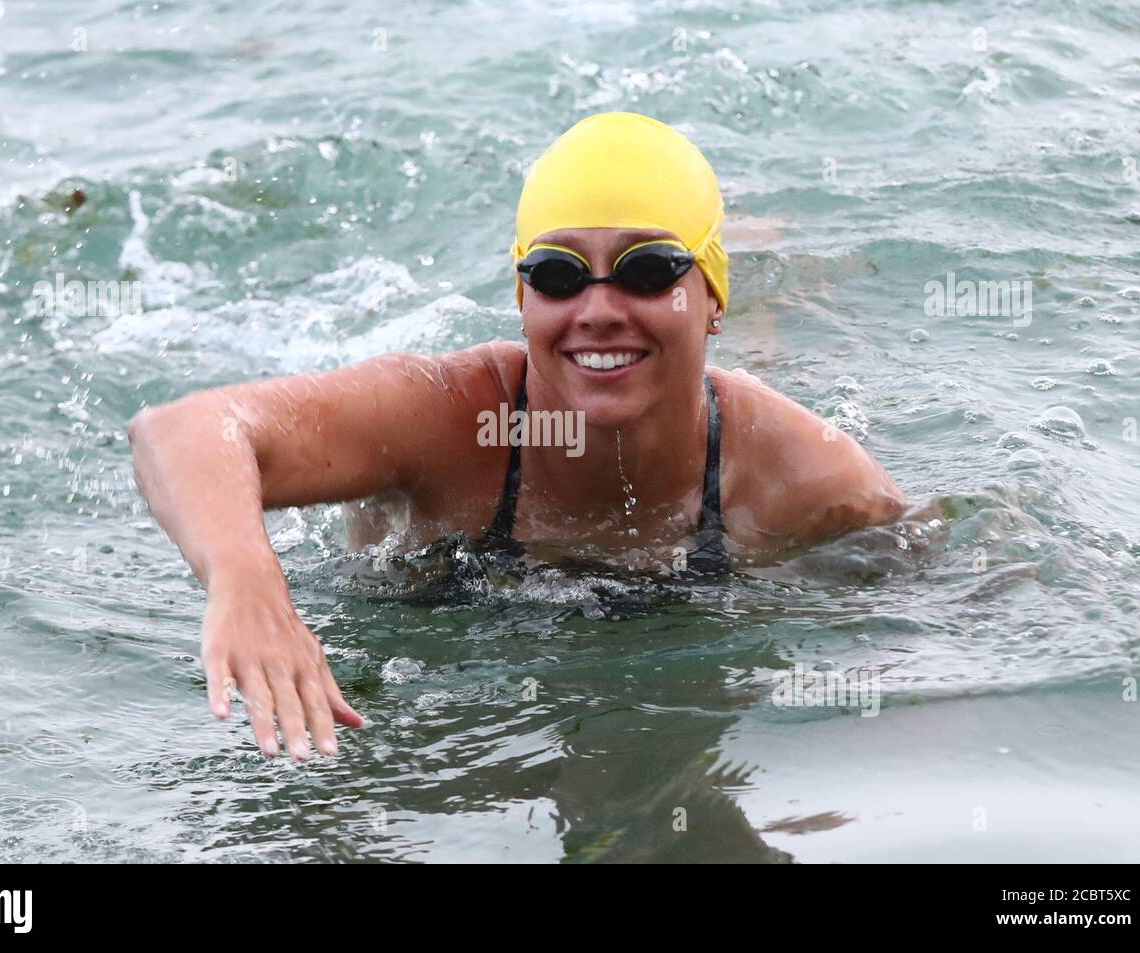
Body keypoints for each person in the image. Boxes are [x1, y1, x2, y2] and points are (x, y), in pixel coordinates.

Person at [128, 112, 904, 760]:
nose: (597, 306)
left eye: (648, 269)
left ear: (710, 292)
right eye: (559, 274)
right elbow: (178, 429)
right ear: (523, 299)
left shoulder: (807, 480)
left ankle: (783, 276)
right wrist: (245, 579)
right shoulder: (449, 422)